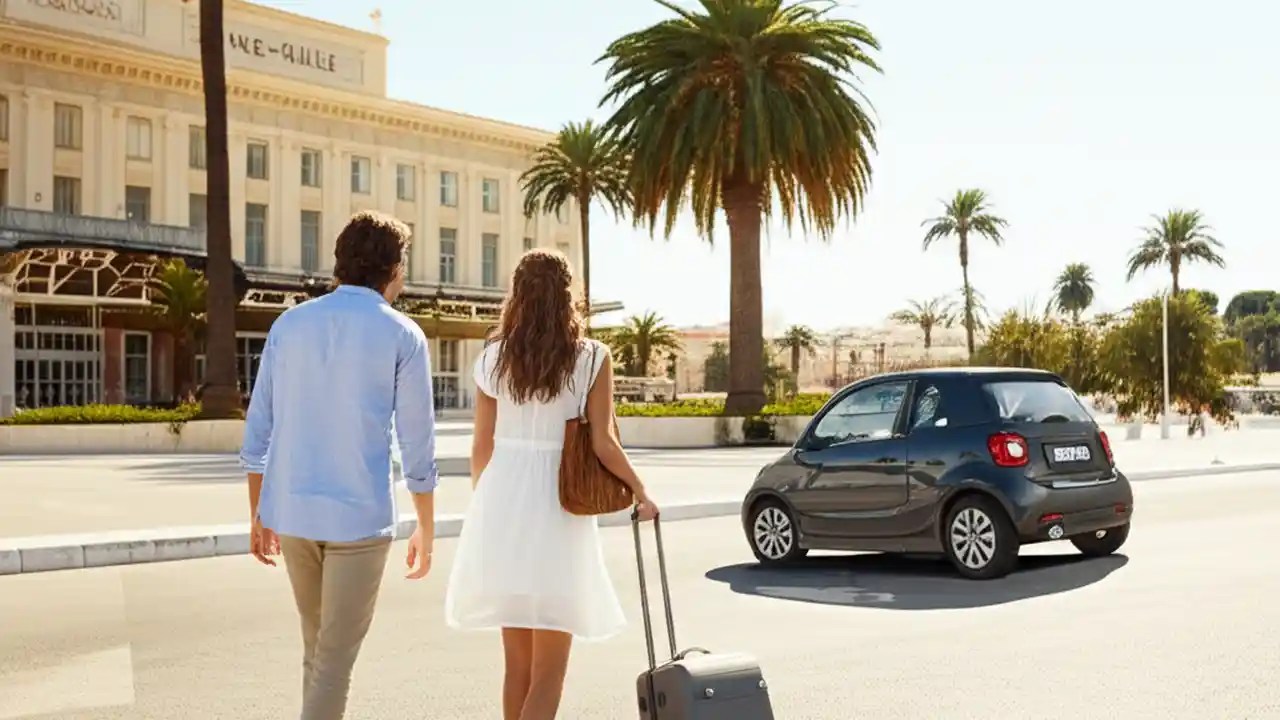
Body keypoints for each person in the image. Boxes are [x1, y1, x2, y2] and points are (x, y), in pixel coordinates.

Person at [240, 211, 438, 720]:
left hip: (296, 515)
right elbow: (418, 444)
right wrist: (426, 526)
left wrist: (258, 512)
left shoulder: (290, 324)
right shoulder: (403, 335)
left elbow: (258, 425)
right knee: (332, 662)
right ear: (393, 268)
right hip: (359, 522)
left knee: (318, 651)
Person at [445, 249, 659, 720]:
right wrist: (641, 490)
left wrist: (487, 505)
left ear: (517, 296)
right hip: (558, 509)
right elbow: (602, 442)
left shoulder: (493, 358)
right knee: (549, 673)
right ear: (569, 297)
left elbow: (480, 447)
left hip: (501, 502)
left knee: (516, 668)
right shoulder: (591, 357)